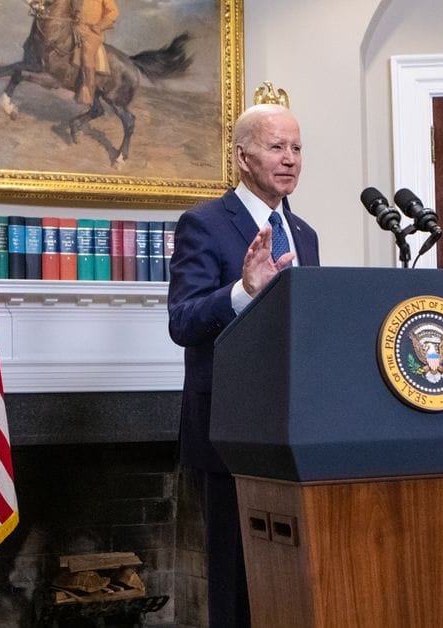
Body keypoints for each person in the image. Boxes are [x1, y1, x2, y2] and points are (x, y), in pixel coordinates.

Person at [167, 103, 319, 627]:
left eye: (296, 148)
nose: (290, 159)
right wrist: (242, 290)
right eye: (277, 147)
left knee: (290, 578)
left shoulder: (304, 233)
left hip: (294, 429)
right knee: (235, 580)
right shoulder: (204, 224)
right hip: (229, 430)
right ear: (242, 157)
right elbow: (182, 322)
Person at [71, 0, 119, 105]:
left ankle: (88, 91)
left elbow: (113, 11)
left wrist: (99, 26)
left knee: (87, 55)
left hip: (91, 31)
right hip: (74, 26)